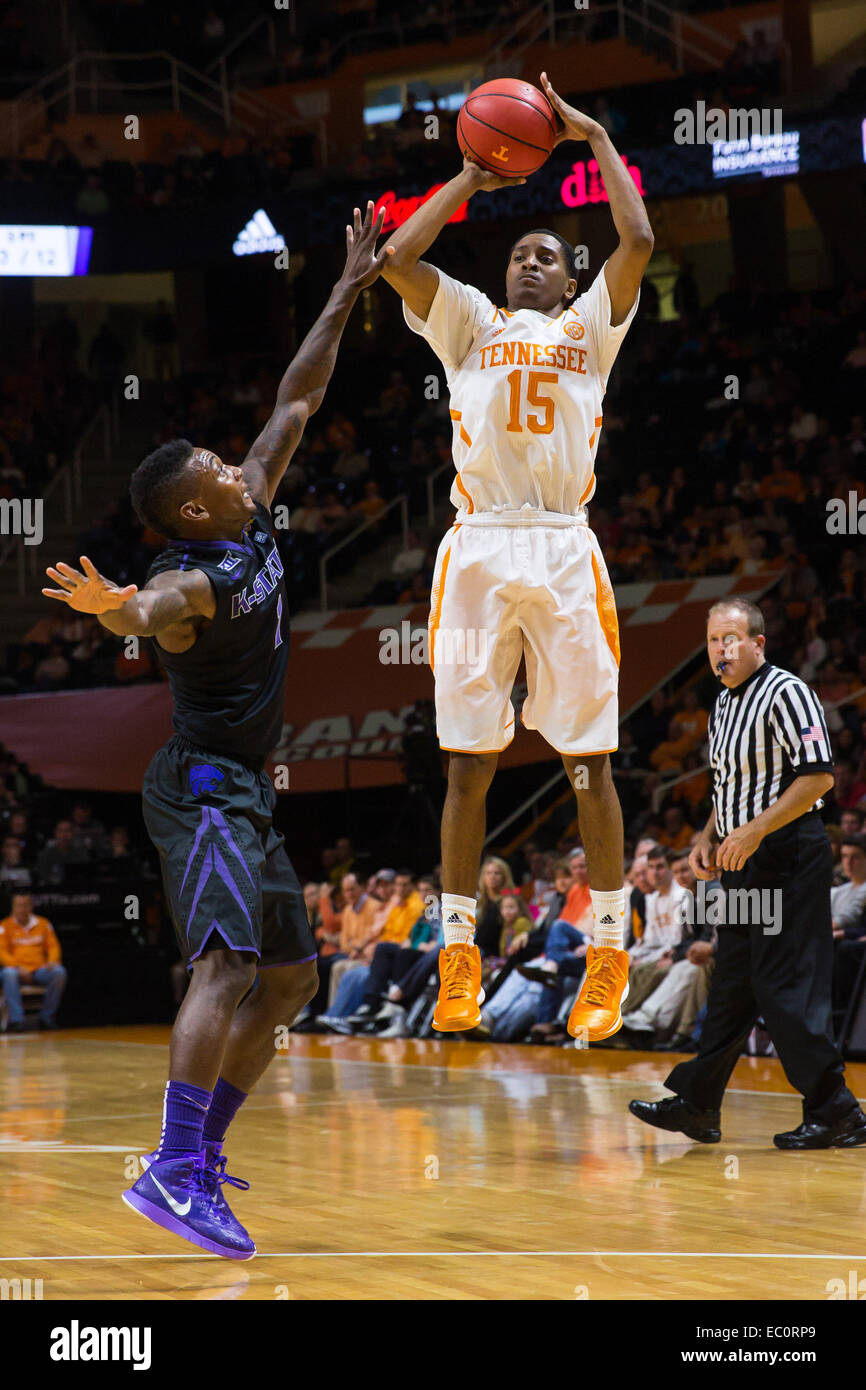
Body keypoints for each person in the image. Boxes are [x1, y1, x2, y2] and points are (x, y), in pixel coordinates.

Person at [41, 202, 395, 1259]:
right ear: (190, 511)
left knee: (291, 979)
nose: (234, 470)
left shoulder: (253, 505)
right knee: (227, 966)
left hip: (243, 786)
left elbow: (298, 393)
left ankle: (194, 1163)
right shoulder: (185, 576)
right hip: (197, 784)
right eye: (212, 471)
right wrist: (117, 611)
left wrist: (346, 284)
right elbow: (153, 613)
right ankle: (169, 1164)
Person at [381, 71, 653, 1040]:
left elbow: (640, 239)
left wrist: (590, 137)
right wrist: (464, 181)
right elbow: (394, 256)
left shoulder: (588, 329)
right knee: (468, 763)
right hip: (480, 549)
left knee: (587, 765)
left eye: (546, 254)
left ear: (570, 280)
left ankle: (610, 959)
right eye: (519, 255)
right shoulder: (469, 326)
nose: (530, 263)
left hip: (565, 548)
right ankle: (457, 956)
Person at [629, 599, 866, 1149]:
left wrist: (755, 830)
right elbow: (727, 785)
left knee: (782, 983)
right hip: (737, 861)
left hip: (786, 854)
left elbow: (818, 778)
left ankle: (837, 1112)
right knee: (732, 980)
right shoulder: (722, 704)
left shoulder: (787, 692)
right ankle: (698, 1105)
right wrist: (706, 835)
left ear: (758, 643)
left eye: (732, 638)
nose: (721, 649)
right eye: (713, 640)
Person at [0, 892, 67, 1032]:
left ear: (31, 907)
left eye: (25, 905)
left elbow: (53, 946)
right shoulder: (4, 926)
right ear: (13, 907)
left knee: (59, 973)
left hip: (39, 970)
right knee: (8, 973)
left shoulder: (43, 924)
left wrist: (52, 961)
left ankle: (46, 1018)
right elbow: (2, 951)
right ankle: (17, 1020)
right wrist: (18, 966)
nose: (22, 909)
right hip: (16, 970)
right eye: (19, 906)